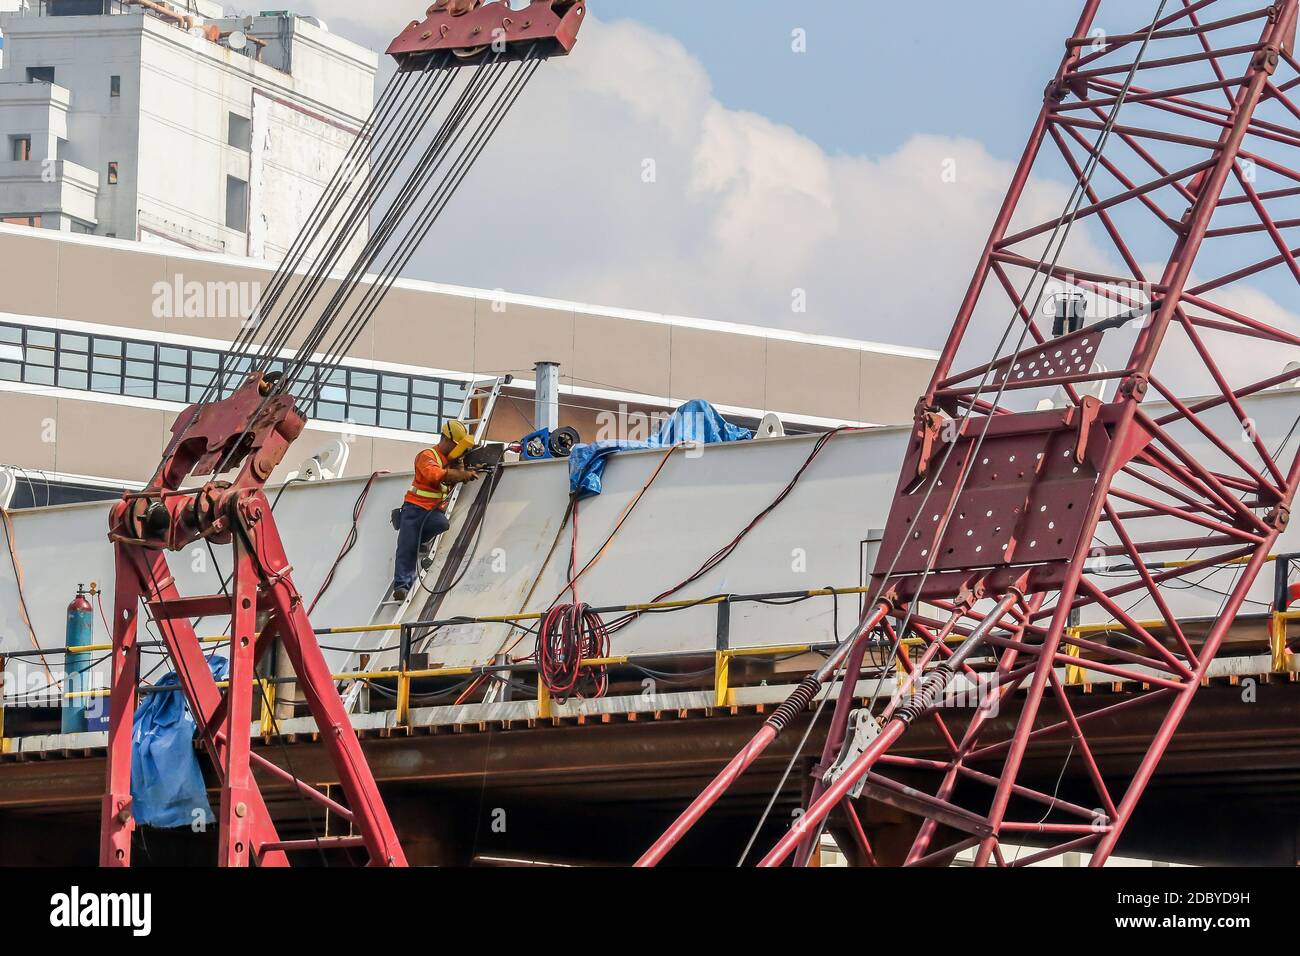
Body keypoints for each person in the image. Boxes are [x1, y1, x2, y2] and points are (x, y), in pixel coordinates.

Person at [391, 420, 479, 601]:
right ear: (446, 439)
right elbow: (434, 475)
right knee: (406, 547)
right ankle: (401, 585)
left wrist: (462, 467)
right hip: (414, 508)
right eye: (457, 445)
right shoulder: (427, 455)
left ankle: (421, 539)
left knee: (441, 524)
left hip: (432, 511)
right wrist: (460, 474)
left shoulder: (452, 461)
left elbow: (454, 477)